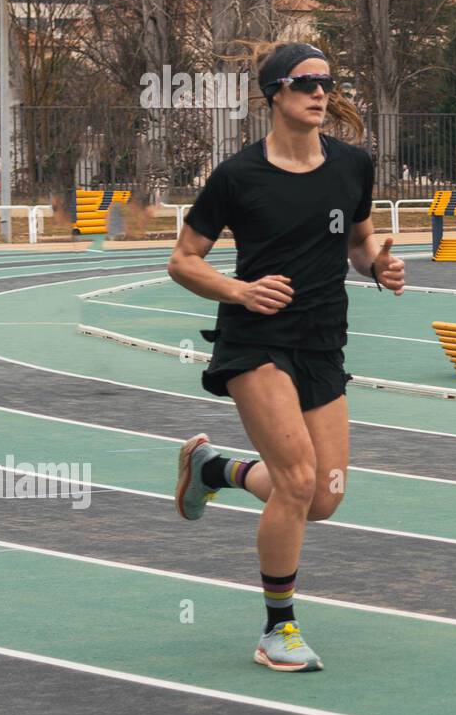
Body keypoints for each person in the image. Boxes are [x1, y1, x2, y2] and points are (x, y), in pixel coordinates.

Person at [166, 41, 405, 671]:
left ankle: (215, 471)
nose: (320, 92)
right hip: (255, 341)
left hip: (323, 341)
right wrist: (239, 290)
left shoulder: (353, 165)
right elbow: (183, 261)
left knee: (322, 498)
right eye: (305, 82)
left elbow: (359, 242)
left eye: (327, 81)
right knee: (296, 481)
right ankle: (279, 628)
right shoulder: (238, 176)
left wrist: (377, 266)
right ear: (275, 93)